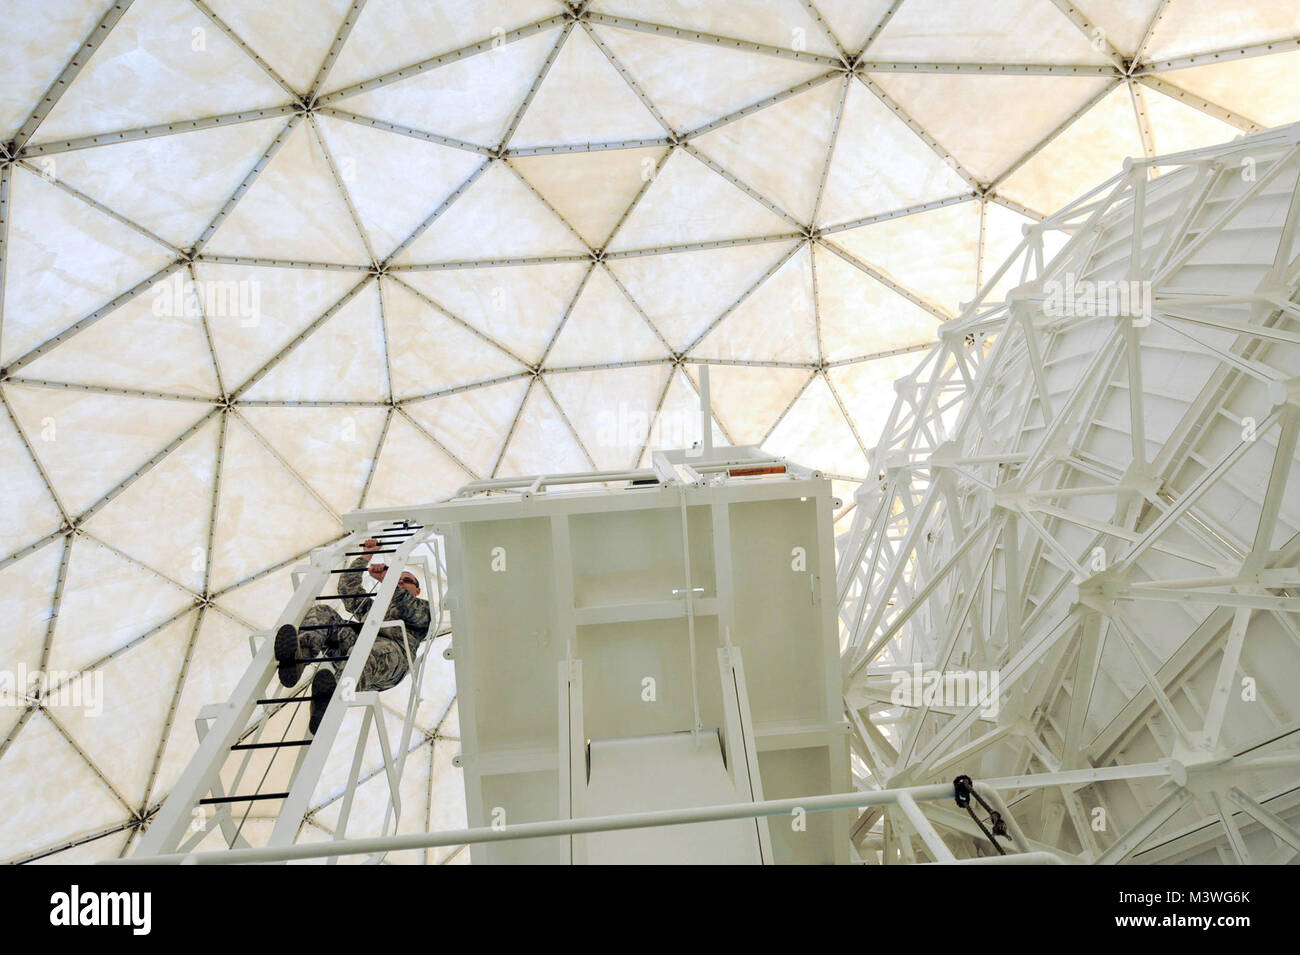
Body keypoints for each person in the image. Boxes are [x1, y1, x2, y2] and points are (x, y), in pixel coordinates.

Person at [274, 538, 431, 733]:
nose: (400, 581)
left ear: (417, 589)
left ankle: (332, 704)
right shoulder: (374, 609)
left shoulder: (423, 608)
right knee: (323, 612)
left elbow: (409, 608)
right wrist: (366, 556)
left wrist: (389, 582)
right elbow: (347, 590)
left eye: (406, 580)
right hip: (356, 646)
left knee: (365, 653)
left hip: (392, 657)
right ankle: (299, 658)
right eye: (397, 578)